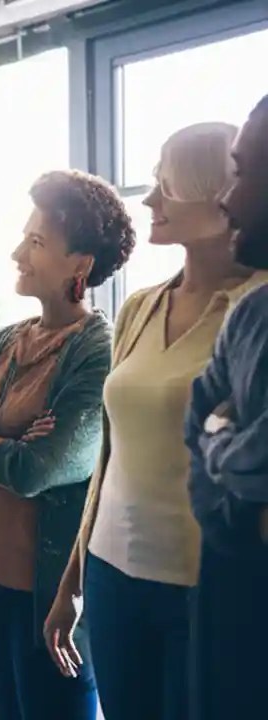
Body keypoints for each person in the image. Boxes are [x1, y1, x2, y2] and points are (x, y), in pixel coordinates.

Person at [44, 122, 267, 720]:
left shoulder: (255, 312)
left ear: (220, 197)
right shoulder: (140, 306)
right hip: (111, 573)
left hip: (202, 583)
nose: (149, 201)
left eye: (166, 186)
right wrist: (72, 578)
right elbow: (108, 455)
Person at [0, 169, 135, 720]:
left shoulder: (98, 352)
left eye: (37, 242)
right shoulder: (4, 340)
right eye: (24, 238)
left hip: (45, 597)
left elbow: (36, 471)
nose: (18, 253)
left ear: (80, 264)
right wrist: (4, 449)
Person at [185, 94, 268, 720]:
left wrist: (223, 443)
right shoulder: (249, 317)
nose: (227, 199)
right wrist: (226, 449)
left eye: (241, 173)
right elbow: (197, 423)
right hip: (233, 619)